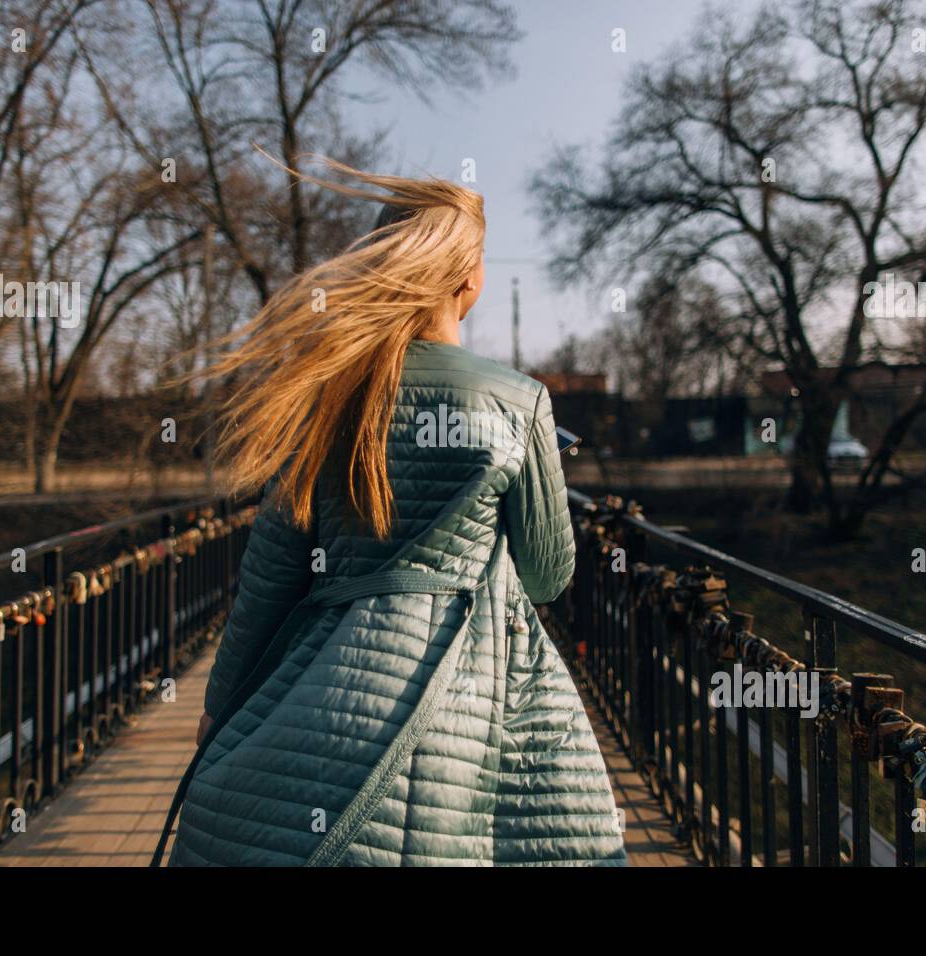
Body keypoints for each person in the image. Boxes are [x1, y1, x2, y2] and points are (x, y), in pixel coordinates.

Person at [156, 156, 627, 866]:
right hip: (470, 703)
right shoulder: (519, 399)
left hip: (323, 685)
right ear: (470, 280)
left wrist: (220, 709)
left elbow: (270, 578)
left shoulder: (325, 397)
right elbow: (549, 572)